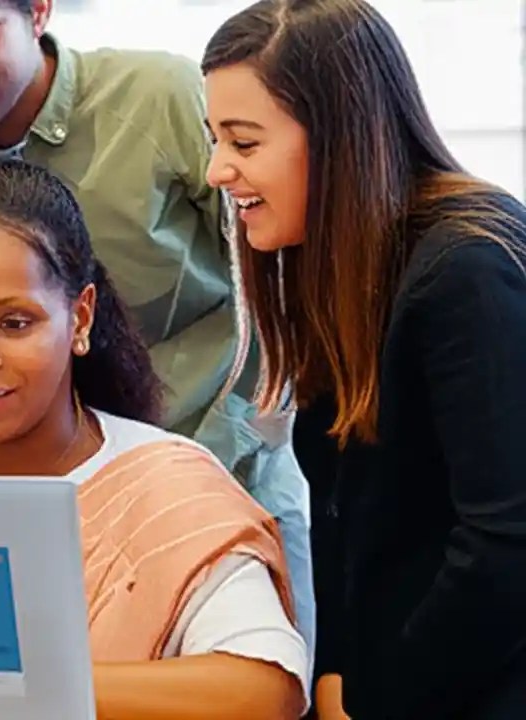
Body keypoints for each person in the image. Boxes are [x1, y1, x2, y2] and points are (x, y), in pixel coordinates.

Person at [0, 0, 316, 653]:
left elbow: (279, 289)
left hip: (230, 465)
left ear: (39, 11)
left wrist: (195, 468)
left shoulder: (162, 101)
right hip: (54, 518)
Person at [0, 159, 309, 718]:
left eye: (14, 323)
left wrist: (4, 681)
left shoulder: (167, 485)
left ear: (79, 319)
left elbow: (266, 688)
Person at [201, 1, 526, 718]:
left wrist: (377, 697)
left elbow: (504, 545)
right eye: (213, 137)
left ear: (342, 138)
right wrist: (338, 675)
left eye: (244, 143)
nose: (217, 169)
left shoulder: (467, 272)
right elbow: (345, 521)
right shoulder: (330, 263)